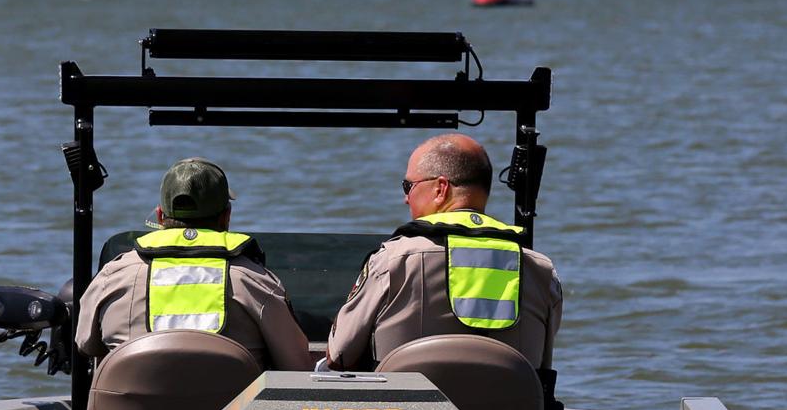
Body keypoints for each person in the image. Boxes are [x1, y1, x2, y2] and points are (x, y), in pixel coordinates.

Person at [325, 134, 562, 373]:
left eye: (408, 186)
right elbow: (543, 366)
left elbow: (339, 356)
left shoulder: (393, 261)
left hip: (408, 399)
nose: (406, 199)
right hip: (507, 399)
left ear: (440, 189)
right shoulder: (541, 271)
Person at [76, 157, 312, 371]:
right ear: (226, 216)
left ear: (160, 216)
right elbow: (297, 365)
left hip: (130, 407)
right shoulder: (256, 282)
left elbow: (85, 344)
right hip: (232, 407)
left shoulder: (113, 277)